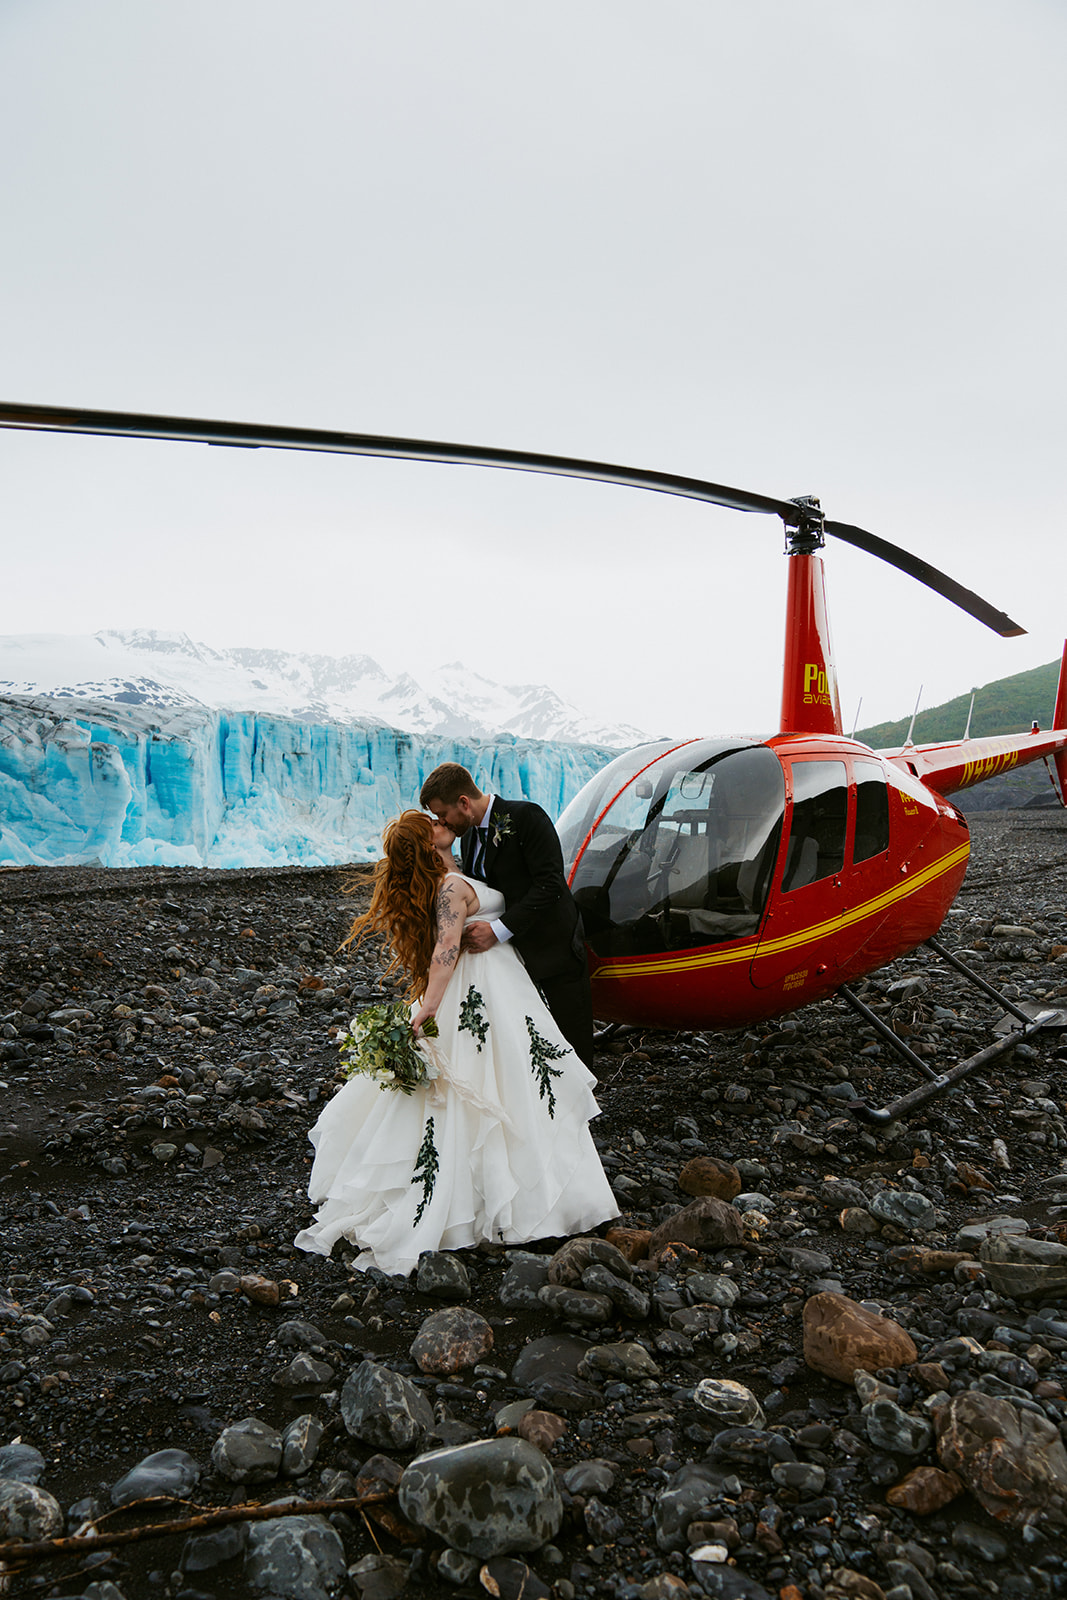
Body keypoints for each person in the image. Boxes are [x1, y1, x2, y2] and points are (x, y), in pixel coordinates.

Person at [294, 811, 618, 1276]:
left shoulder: (460, 872)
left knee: (513, 1078)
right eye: (431, 822)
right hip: (479, 991)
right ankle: (500, 1198)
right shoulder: (449, 886)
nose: (440, 821)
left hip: (502, 987)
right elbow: (446, 947)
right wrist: (430, 1005)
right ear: (429, 843)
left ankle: (518, 1190)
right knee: (492, 1082)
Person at [419, 763, 596, 1068]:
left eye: (443, 814)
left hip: (553, 947)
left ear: (463, 803)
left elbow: (551, 884)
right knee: (530, 1042)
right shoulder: (468, 837)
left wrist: (499, 930)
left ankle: (583, 1112)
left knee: (572, 1039)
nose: (441, 821)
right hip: (510, 960)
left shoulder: (527, 816)